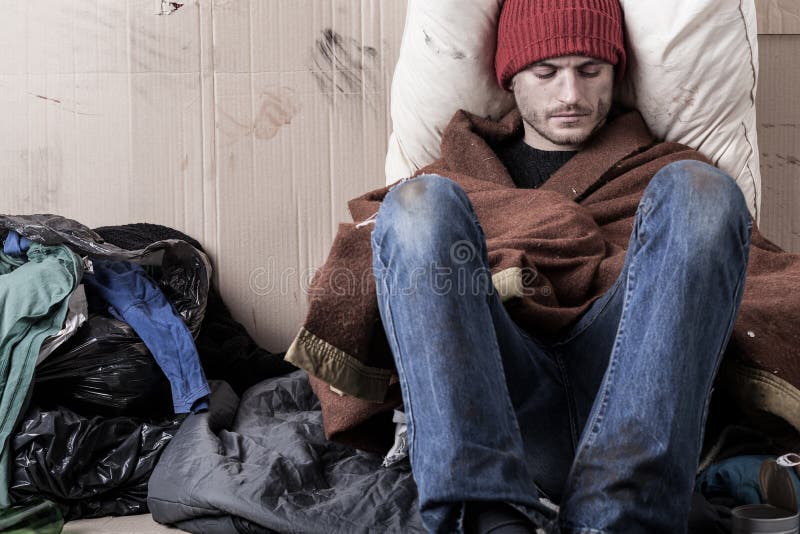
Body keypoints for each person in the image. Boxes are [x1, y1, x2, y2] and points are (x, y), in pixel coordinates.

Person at [368, 0, 754, 532]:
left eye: (590, 71)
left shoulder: (659, 171)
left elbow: (749, 286)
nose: (570, 95)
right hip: (504, 399)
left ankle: (621, 512)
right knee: (415, 205)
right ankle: (489, 515)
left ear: (615, 74)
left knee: (705, 192)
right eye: (546, 73)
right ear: (511, 78)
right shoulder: (459, 176)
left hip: (635, 400)